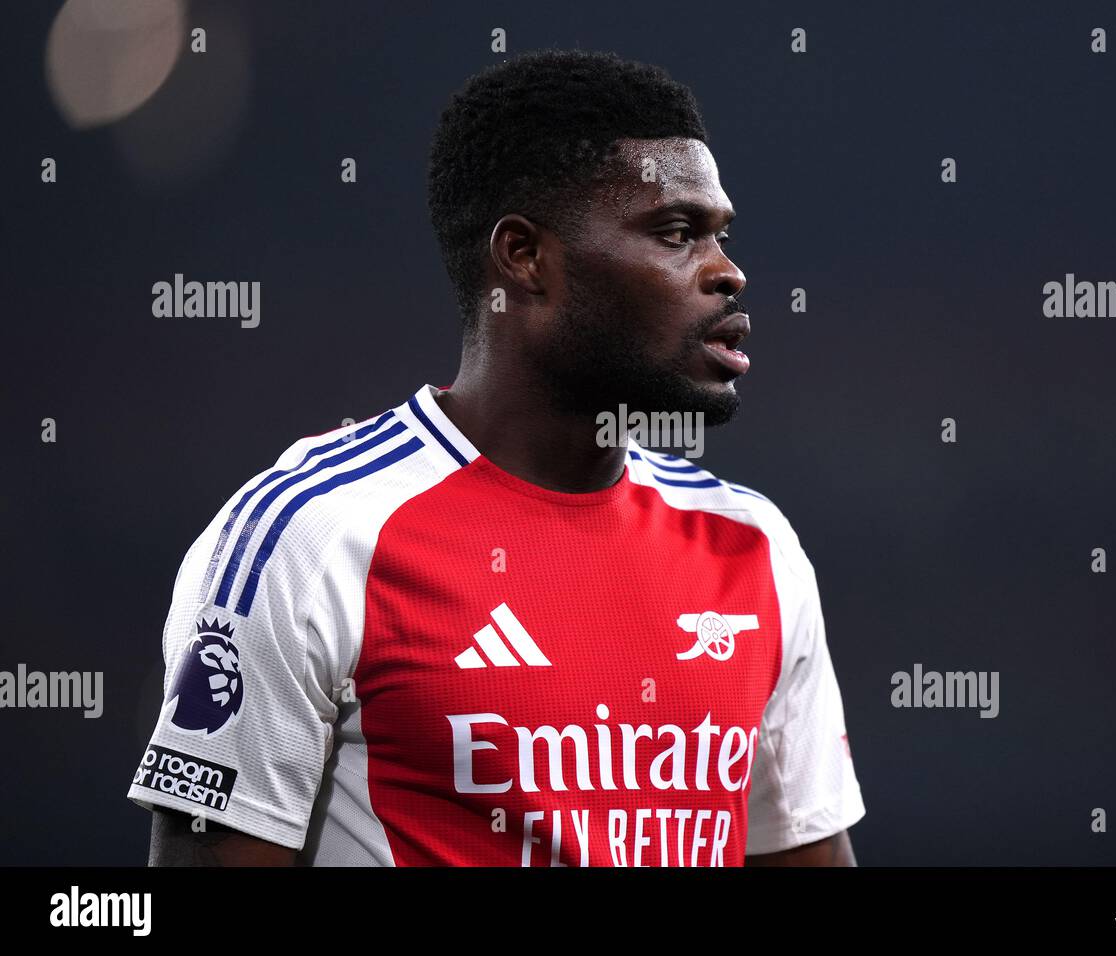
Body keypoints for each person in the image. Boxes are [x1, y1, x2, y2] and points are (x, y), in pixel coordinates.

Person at [128, 48, 865, 866]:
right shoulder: (308, 538)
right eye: (677, 233)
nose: (727, 272)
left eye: (721, 235)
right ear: (524, 258)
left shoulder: (754, 547)